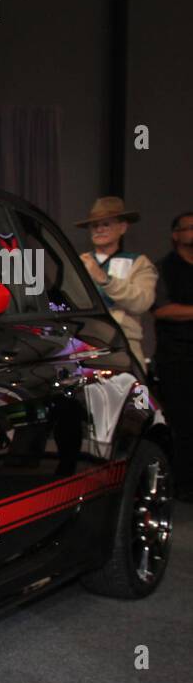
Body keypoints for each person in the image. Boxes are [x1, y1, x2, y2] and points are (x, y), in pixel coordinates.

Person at [74, 196, 157, 364]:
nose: (99, 229)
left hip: (124, 341)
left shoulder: (138, 262)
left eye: (106, 224)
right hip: (85, 340)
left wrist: (105, 279)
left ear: (123, 227)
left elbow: (142, 302)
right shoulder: (78, 262)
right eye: (95, 225)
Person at [153, 211, 193, 501]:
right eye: (189, 228)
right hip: (177, 356)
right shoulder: (164, 268)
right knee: (181, 422)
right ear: (175, 235)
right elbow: (161, 309)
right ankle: (181, 485)